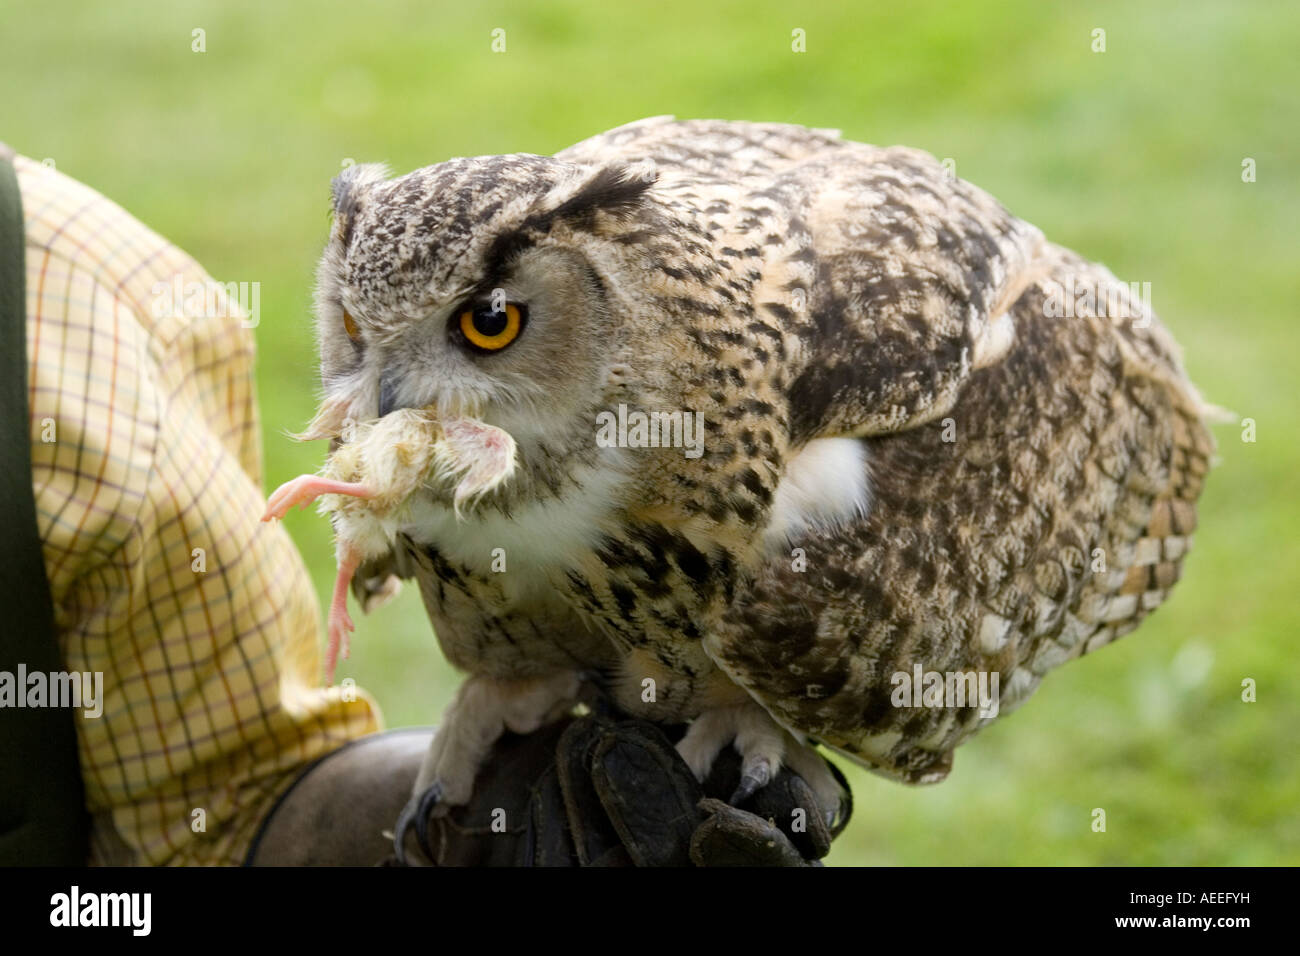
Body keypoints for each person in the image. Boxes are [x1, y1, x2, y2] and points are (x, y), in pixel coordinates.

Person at [0, 145, 846, 867]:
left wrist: (471, 831)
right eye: (359, 335)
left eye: (486, 325)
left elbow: (213, 800)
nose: (393, 398)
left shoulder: (64, 302)